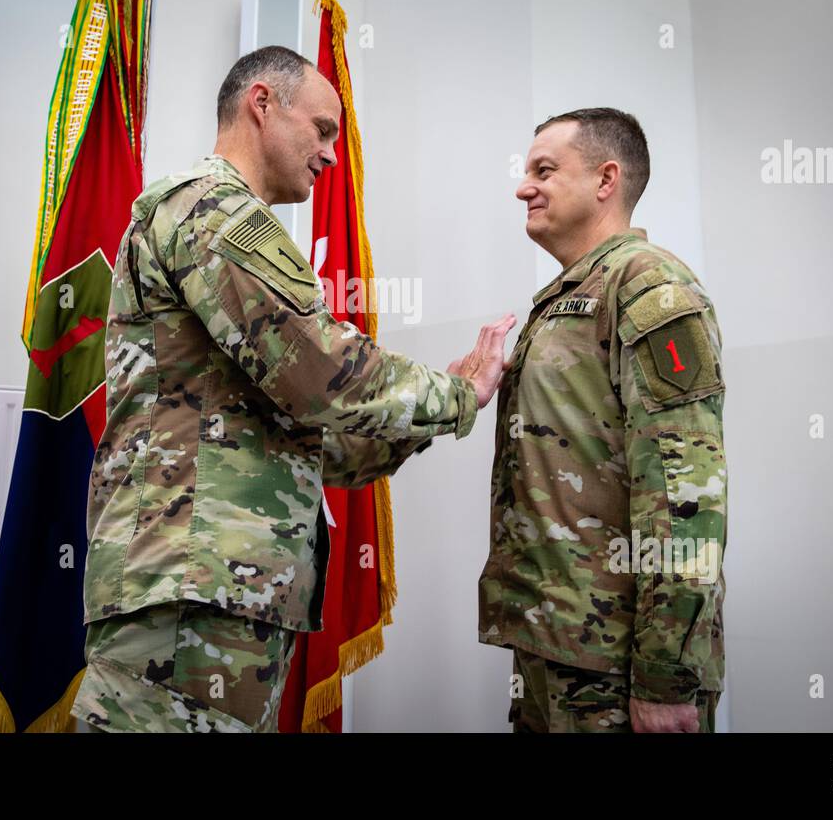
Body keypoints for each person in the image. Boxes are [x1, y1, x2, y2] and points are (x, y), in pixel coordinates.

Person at [71, 45, 515, 732]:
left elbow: (314, 440)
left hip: (220, 590)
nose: (331, 154)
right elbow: (316, 371)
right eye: (323, 129)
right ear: (262, 103)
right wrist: (456, 395)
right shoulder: (210, 207)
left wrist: (434, 416)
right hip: (191, 591)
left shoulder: (229, 219)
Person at [477, 107, 727, 733]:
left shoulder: (649, 288)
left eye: (544, 169)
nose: (523, 186)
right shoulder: (565, 299)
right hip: (553, 646)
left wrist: (665, 677)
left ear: (605, 179)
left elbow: (684, 494)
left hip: (616, 666)